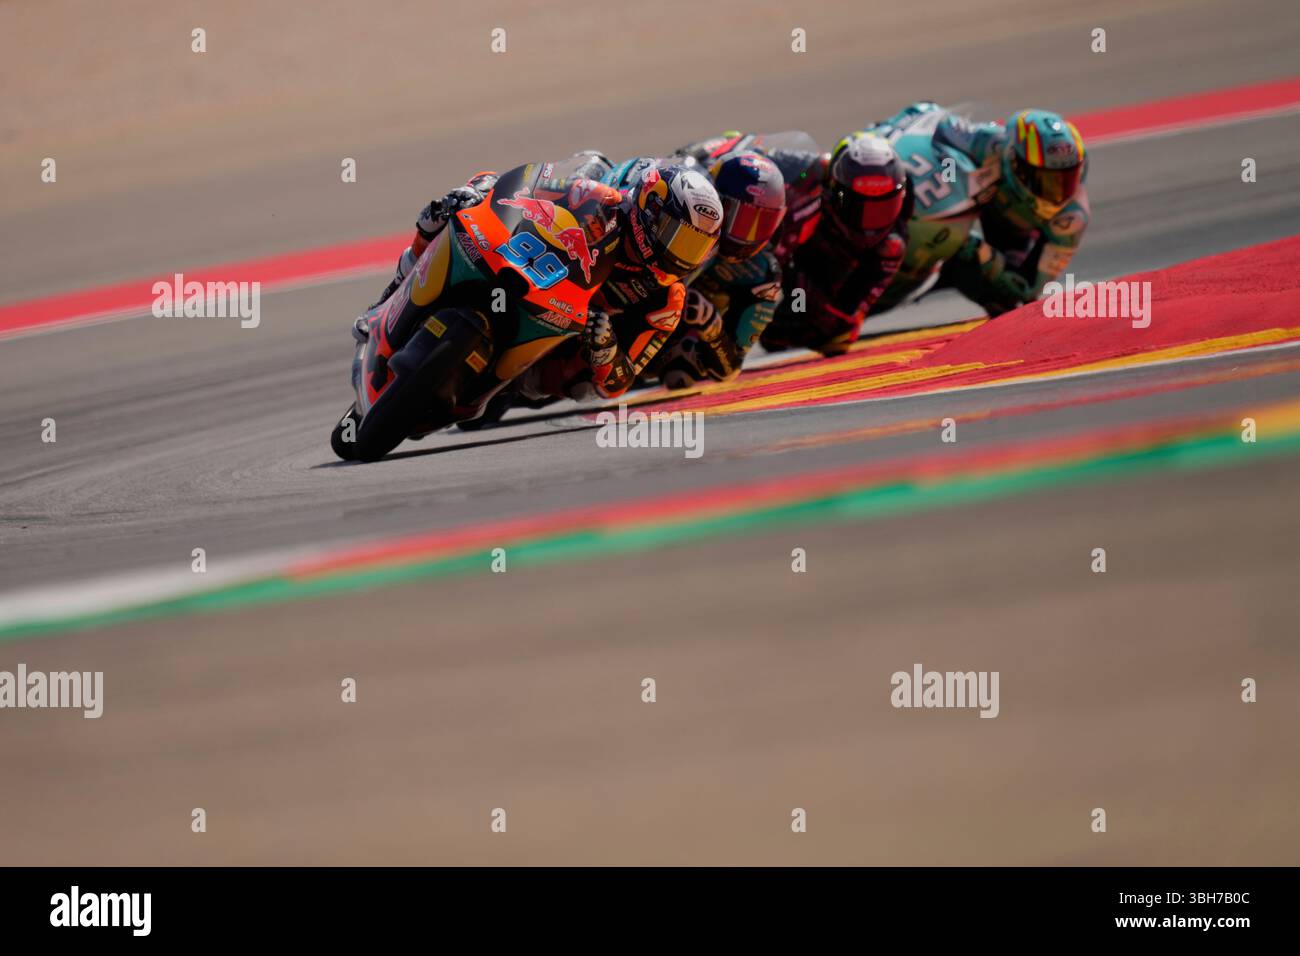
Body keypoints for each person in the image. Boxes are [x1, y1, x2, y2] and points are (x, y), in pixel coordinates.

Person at [884, 103, 1089, 315]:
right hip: (982, 203)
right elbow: (941, 128)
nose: (1058, 192)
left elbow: (1030, 289)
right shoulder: (987, 143)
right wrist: (951, 179)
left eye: (1067, 177)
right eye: (1045, 180)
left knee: (1011, 296)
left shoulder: (1071, 218)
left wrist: (982, 254)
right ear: (1015, 161)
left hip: (1010, 237)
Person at [760, 131, 912, 356]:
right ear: (834, 188)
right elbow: (757, 155)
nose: (869, 224)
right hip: (788, 259)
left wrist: (800, 284)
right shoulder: (807, 180)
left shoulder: (890, 247)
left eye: (882, 208)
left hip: (816, 283)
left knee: (824, 332)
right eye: (857, 206)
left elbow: (844, 328)